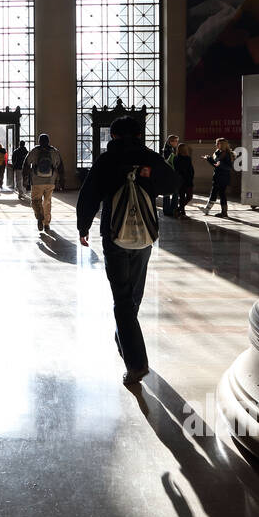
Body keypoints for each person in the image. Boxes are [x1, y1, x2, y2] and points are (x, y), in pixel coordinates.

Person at [77, 116, 175, 385]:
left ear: (114, 136)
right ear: (140, 135)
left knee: (122, 299)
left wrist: (83, 226)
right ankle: (125, 335)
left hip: (114, 235)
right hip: (144, 235)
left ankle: (136, 363)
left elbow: (88, 196)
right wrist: (148, 175)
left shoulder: (106, 160)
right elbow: (171, 185)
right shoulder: (149, 156)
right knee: (134, 294)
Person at [23, 132, 64, 232]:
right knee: (47, 202)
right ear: (48, 141)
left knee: (35, 201)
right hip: (50, 181)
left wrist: (25, 179)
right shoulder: (54, 151)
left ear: (39, 141)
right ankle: (46, 224)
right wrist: (61, 181)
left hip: (37, 181)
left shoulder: (34, 151)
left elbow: (26, 164)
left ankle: (40, 217)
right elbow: (60, 167)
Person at [202, 137, 234, 217]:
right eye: (216, 143)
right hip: (219, 176)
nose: (216, 144)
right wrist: (209, 159)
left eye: (218, 143)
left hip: (222, 177)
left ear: (223, 144)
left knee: (216, 193)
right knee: (219, 193)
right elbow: (216, 165)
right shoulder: (218, 152)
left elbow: (229, 167)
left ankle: (208, 209)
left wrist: (220, 164)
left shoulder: (226, 154)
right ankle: (223, 212)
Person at [173, 143, 195, 217]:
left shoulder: (186, 158)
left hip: (184, 179)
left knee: (187, 197)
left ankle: (179, 209)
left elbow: (190, 169)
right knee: (184, 197)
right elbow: (187, 169)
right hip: (184, 179)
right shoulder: (177, 158)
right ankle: (182, 212)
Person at [160, 134, 179, 215]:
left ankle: (169, 210)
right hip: (170, 173)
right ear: (170, 142)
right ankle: (170, 210)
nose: (176, 143)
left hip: (169, 173)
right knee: (172, 193)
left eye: (177, 141)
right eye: (175, 141)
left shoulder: (172, 149)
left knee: (170, 193)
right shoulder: (169, 150)